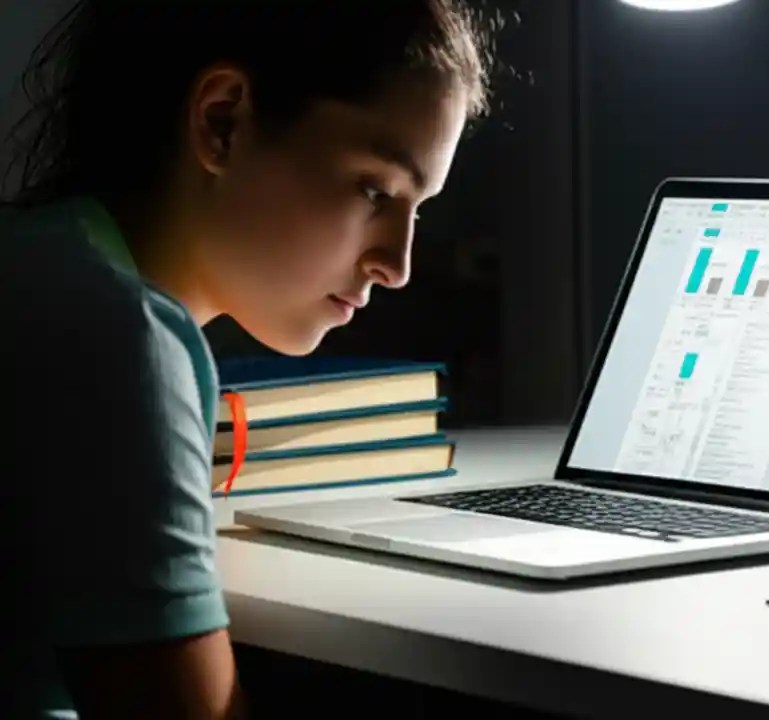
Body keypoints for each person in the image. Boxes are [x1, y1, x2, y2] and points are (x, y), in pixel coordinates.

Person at [0, 1, 491, 716]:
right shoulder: (115, 333)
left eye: (419, 208)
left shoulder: (42, 262)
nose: (398, 263)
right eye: (374, 189)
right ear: (223, 123)